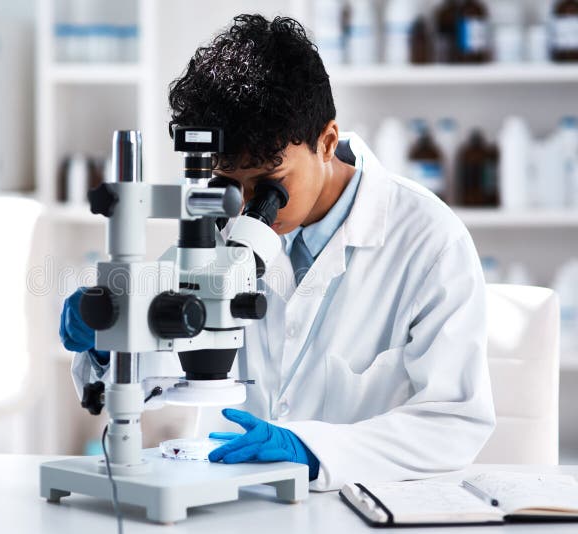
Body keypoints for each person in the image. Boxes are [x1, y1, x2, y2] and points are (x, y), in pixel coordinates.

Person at [60, 14, 495, 491]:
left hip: (357, 503)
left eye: (269, 184)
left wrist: (312, 450)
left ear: (326, 141)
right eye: (228, 185)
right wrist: (111, 337)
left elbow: (454, 422)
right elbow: (153, 370)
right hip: (229, 496)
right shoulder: (217, 225)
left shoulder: (427, 238)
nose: (245, 207)